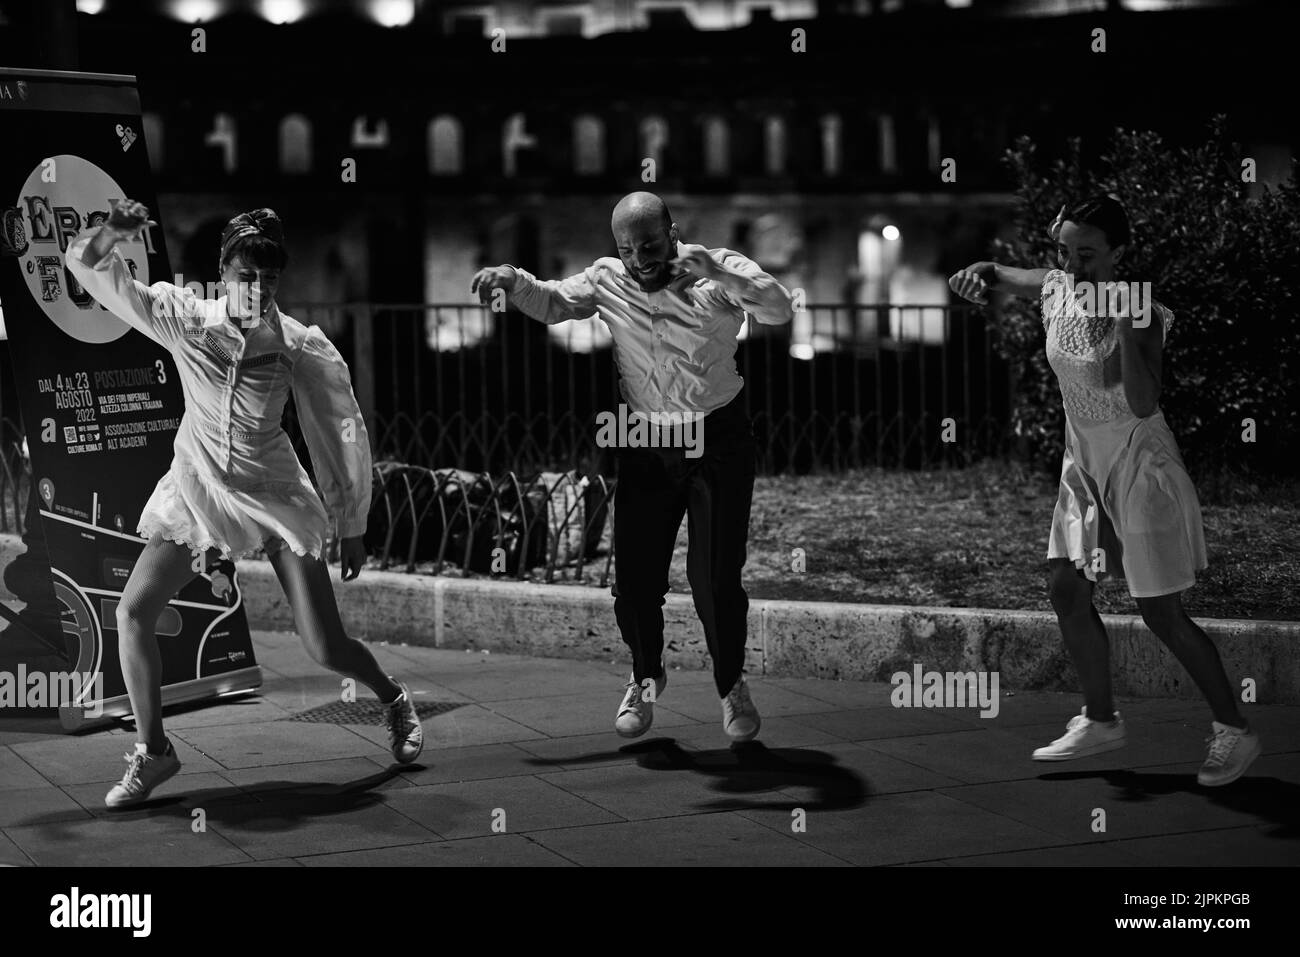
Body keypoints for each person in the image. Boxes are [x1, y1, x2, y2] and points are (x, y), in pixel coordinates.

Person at [65, 201, 424, 808]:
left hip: (274, 493)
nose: (257, 287)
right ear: (224, 271)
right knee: (132, 613)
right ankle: (155, 753)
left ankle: (393, 698)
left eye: (269, 277)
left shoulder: (298, 344)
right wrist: (114, 232)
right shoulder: (184, 319)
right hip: (200, 487)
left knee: (323, 645)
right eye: (245, 274)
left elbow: (338, 427)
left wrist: (352, 520)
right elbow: (96, 272)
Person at [949, 195, 1260, 787]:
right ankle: (1100, 719)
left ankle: (1235, 729)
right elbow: (996, 273)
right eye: (1063, 252)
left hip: (1140, 458)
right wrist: (978, 272)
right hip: (1083, 457)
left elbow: (1144, 401)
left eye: (1086, 255)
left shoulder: (1141, 312)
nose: (1071, 267)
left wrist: (1121, 316)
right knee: (1066, 587)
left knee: (1160, 612)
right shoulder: (1056, 287)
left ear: (1119, 254)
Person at [470, 192, 793, 743]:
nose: (639, 258)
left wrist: (716, 269)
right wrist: (511, 279)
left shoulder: (714, 271)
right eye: (627, 248)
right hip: (645, 440)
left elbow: (777, 307)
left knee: (714, 579)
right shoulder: (607, 278)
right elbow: (553, 302)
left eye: (649, 245)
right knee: (635, 582)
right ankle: (645, 676)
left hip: (718, 438)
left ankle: (731, 684)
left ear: (672, 232)